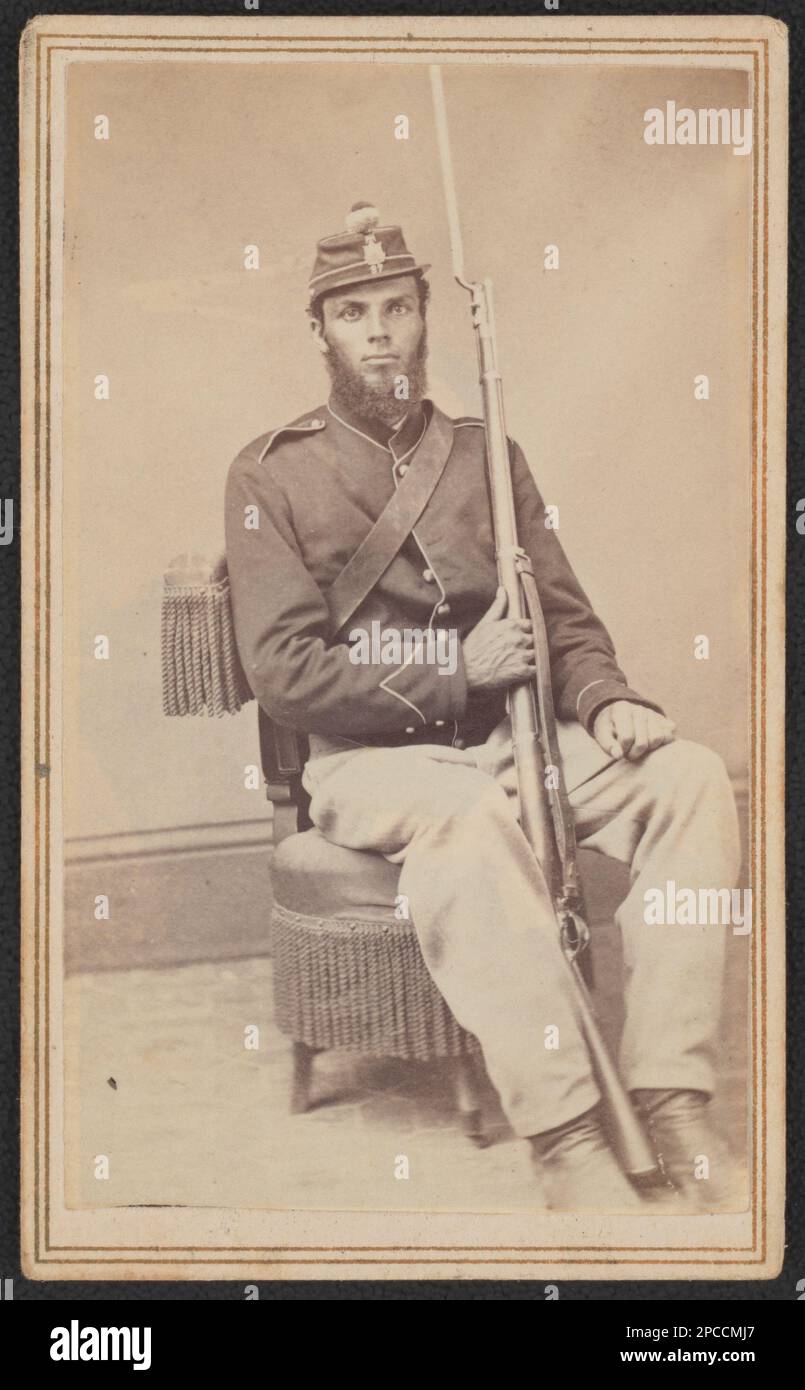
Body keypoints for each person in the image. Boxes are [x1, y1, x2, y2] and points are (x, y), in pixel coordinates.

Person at [225, 203, 742, 1211]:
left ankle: (671, 1091)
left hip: (517, 736)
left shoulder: (485, 454)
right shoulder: (268, 473)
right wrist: (454, 670)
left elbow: (566, 618)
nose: (377, 330)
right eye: (352, 312)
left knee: (687, 779)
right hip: (372, 762)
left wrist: (603, 701)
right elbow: (285, 671)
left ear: (426, 319)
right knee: (466, 826)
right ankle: (567, 1136)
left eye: (396, 307)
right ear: (318, 331)